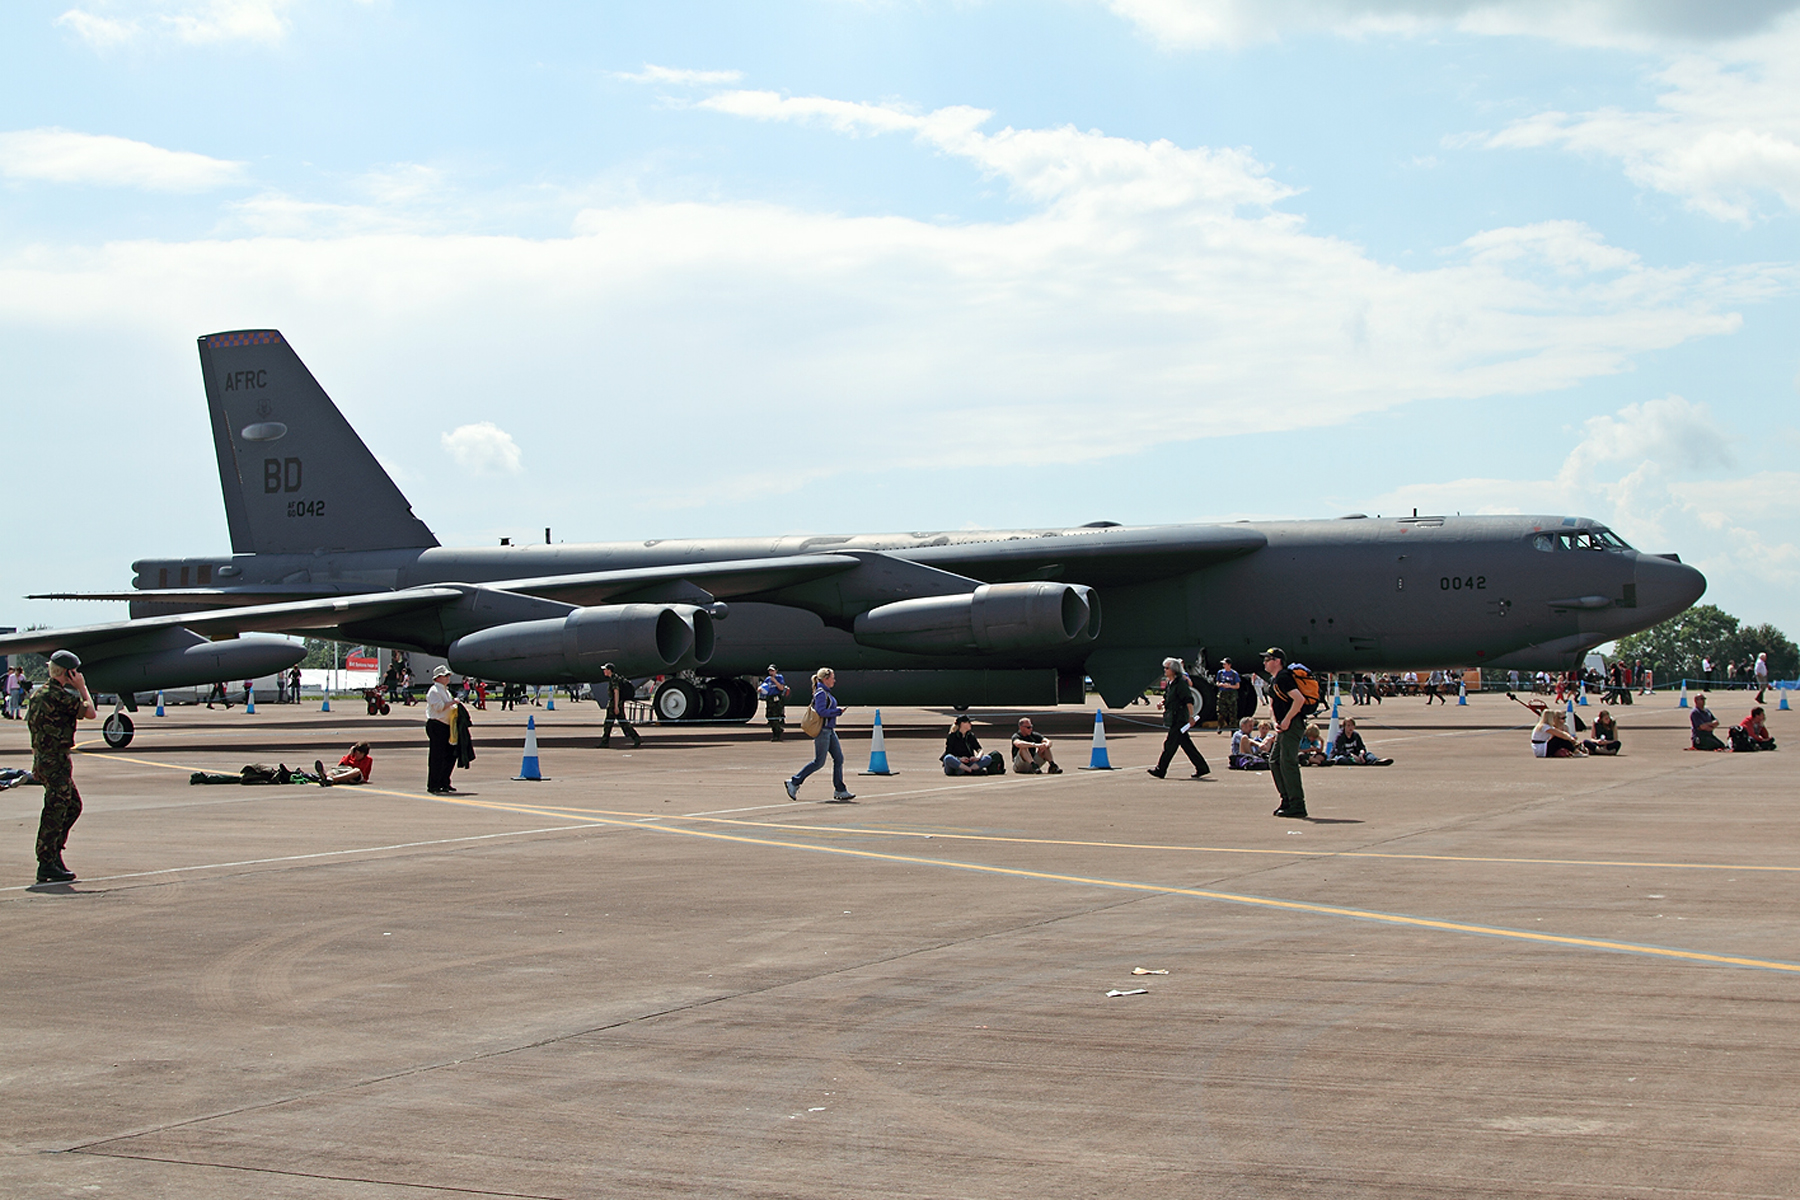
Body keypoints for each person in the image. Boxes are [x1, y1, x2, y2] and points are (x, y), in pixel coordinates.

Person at [27, 649, 96, 884]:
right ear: (68, 672)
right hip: (54, 761)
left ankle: (53, 854)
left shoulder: (40, 694)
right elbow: (91, 713)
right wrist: (82, 687)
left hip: (46, 760)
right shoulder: (57, 696)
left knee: (72, 805)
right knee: (56, 810)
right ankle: (46, 862)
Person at [786, 668, 853, 801]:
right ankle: (794, 782)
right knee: (819, 762)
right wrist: (837, 712)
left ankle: (840, 789)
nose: (834, 680)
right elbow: (821, 712)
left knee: (839, 758)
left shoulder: (825, 692)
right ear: (825, 679)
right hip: (823, 731)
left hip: (829, 730)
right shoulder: (821, 694)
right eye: (832, 678)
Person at [1261, 647, 1310, 819]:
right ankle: (1286, 799)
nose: (1264, 662)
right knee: (1274, 761)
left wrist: (1288, 719)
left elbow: (1299, 699)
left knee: (1288, 762)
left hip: (1293, 724)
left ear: (1277, 661)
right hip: (1282, 726)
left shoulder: (1284, 677)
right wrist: (1275, 721)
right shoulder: (1274, 680)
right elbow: (1272, 705)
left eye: (1268, 660)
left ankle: (1298, 804)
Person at [1147, 658, 1209, 779]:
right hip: (1173, 717)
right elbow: (1169, 697)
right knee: (1186, 744)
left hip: (1179, 719)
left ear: (1174, 670)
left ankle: (1161, 769)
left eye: (1167, 668)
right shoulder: (1171, 683)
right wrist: (1162, 703)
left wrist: (1191, 717)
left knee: (1169, 745)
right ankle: (1202, 767)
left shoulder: (1180, 683)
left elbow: (1188, 700)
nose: (1165, 670)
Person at [425, 665, 458, 793]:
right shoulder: (434, 691)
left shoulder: (445, 690)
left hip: (446, 725)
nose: (448, 678)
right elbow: (439, 707)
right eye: (446, 676)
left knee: (449, 755)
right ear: (438, 678)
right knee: (436, 756)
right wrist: (453, 702)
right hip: (436, 725)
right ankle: (433, 784)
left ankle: (444, 781)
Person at [597, 663, 642, 748]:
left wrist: (616, 706)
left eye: (605, 669)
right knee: (622, 723)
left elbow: (616, 692)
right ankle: (636, 738)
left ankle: (605, 742)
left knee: (609, 723)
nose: (604, 671)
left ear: (609, 670)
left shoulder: (614, 679)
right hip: (617, 703)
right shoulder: (616, 678)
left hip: (615, 704)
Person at [1327, 717, 1392, 766]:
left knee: (1368, 754)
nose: (1350, 728)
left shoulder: (1356, 735)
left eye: (1352, 725)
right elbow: (1338, 750)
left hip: (1356, 755)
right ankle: (1337, 761)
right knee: (1341, 759)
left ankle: (1375, 761)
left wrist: (1361, 754)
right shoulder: (1339, 736)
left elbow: (1362, 747)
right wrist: (1351, 755)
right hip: (1344, 755)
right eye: (1348, 725)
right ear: (1344, 727)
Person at [757, 665, 790, 741]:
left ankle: (777, 733)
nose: (771, 672)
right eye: (770, 671)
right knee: (769, 715)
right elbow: (763, 686)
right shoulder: (768, 679)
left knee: (775, 716)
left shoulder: (779, 678)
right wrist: (760, 689)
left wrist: (775, 681)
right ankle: (776, 731)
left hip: (776, 698)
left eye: (772, 670)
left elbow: (781, 688)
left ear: (776, 671)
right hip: (770, 698)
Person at [1213, 657, 1240, 733]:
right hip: (1222, 694)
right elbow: (1217, 682)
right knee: (1221, 712)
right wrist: (1220, 684)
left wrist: (1230, 686)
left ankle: (1233, 729)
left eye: (1225, 664)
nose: (1223, 665)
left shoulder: (1234, 674)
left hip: (1231, 694)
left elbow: (1237, 686)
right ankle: (1220, 725)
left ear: (1229, 665)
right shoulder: (1220, 673)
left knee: (1233, 713)